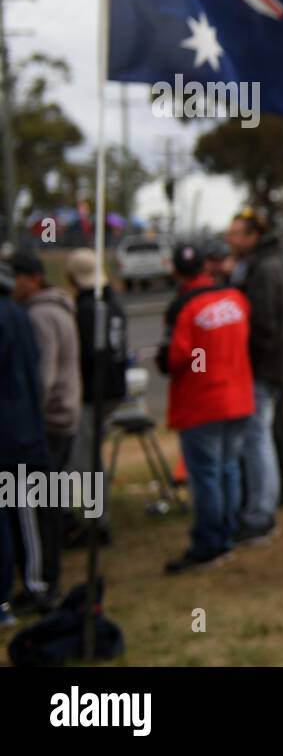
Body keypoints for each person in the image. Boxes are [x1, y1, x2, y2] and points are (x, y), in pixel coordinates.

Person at [158, 244, 254, 572]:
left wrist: (163, 356)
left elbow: (177, 356)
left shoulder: (184, 307)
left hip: (203, 403)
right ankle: (226, 535)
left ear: (176, 271)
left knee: (208, 475)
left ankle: (210, 544)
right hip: (238, 397)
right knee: (228, 469)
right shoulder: (235, 299)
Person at [8, 250, 78, 612]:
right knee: (48, 502)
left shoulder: (39, 316)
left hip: (47, 421)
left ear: (32, 278)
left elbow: (43, 378)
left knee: (34, 505)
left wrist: (27, 416)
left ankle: (42, 582)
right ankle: (49, 573)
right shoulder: (59, 308)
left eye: (17, 276)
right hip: (65, 416)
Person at [225, 208, 283, 545]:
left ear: (253, 236)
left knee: (257, 436)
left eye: (237, 233)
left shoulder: (265, 268)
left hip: (261, 369)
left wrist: (243, 355)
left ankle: (261, 514)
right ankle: (257, 509)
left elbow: (264, 324)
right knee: (255, 436)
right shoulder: (260, 264)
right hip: (262, 367)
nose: (230, 239)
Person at [65, 248, 128, 547]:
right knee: (90, 459)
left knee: (83, 461)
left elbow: (89, 354)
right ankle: (93, 517)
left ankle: (95, 522)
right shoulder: (112, 301)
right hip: (112, 388)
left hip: (94, 392)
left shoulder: (89, 308)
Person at [0, 261, 49, 627]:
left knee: (22, 510)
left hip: (14, 432)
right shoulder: (18, 313)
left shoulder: (11, 315)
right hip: (22, 425)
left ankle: (35, 583)